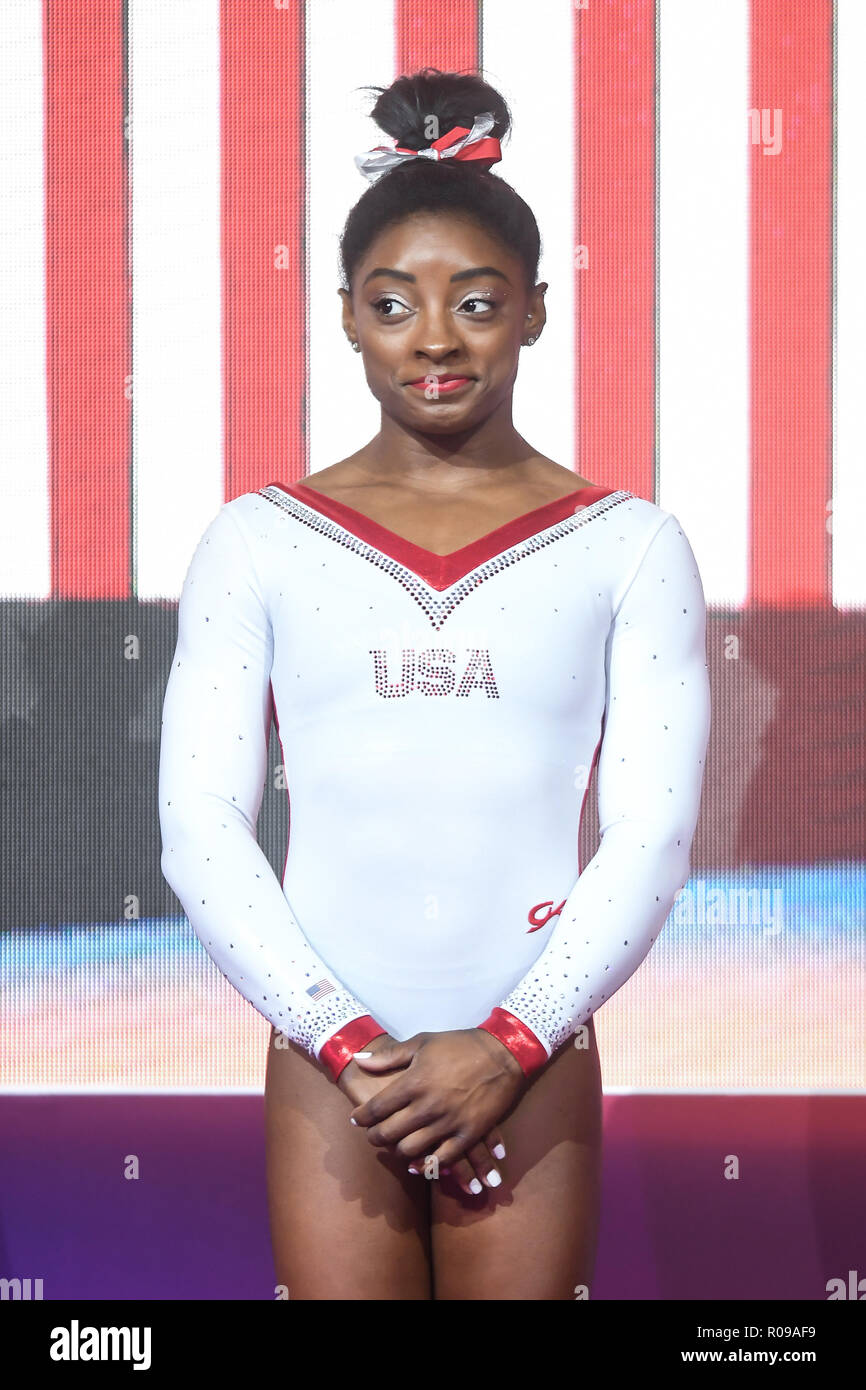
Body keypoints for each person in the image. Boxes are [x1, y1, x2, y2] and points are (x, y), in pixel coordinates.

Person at [158, 67, 711, 1300]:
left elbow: (653, 834)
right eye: (393, 302)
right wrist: (345, 1043)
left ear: (533, 312)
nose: (435, 338)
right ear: (346, 317)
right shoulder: (257, 538)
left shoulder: (628, 544)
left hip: (529, 1050)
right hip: (326, 1054)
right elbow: (198, 825)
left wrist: (508, 1044)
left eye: (473, 301)